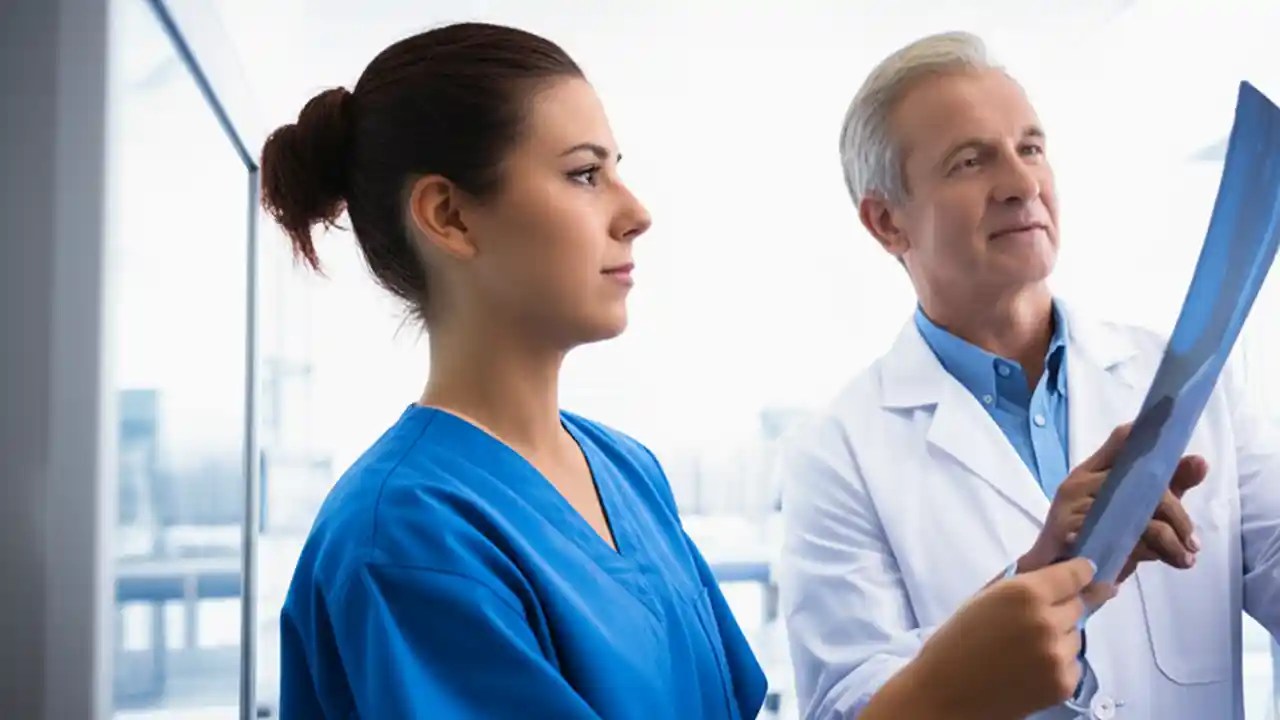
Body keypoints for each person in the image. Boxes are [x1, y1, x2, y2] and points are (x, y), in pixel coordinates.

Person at [263, 21, 1104, 720]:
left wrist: (1013, 609)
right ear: (448, 215)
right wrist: (939, 695)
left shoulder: (625, 473)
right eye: (585, 174)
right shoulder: (406, 541)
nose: (635, 212)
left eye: (617, 171)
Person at [778, 30, 1280, 720]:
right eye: (969, 162)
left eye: (1031, 148)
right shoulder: (836, 456)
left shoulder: (1192, 381)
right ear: (887, 222)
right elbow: (849, 708)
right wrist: (1035, 580)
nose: (1021, 185)